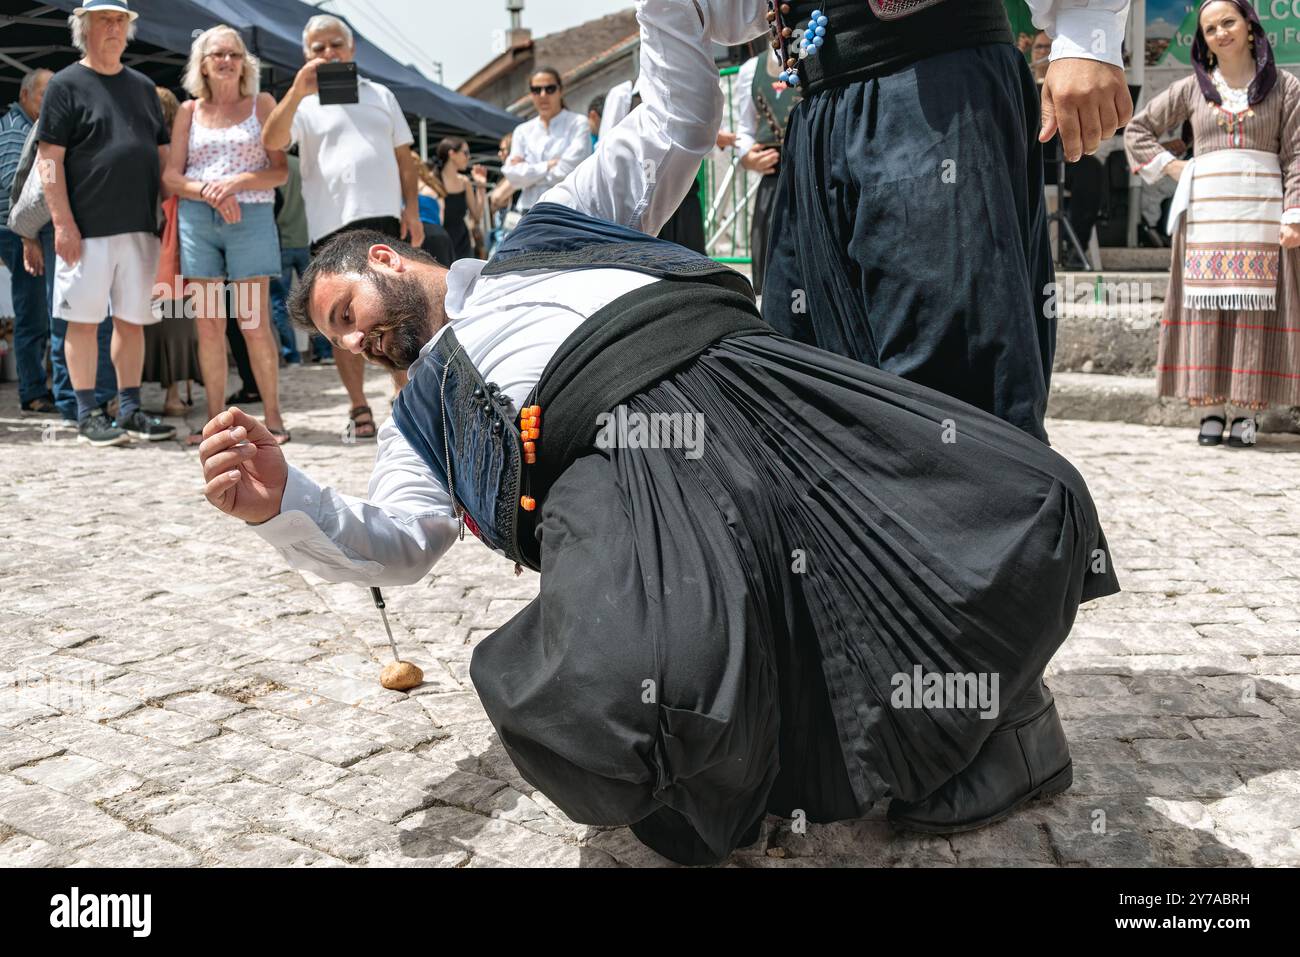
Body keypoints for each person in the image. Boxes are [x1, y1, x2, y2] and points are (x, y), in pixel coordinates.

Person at [200, 0, 1117, 866]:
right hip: (623, 486)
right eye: (341, 342)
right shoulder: (420, 415)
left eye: (348, 311)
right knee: (613, 696)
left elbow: (676, 116)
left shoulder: (545, 225)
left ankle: (1006, 723)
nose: (359, 341)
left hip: (746, 387)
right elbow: (395, 545)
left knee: (983, 478)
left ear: (390, 258)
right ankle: (762, 756)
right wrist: (285, 504)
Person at [760, 1, 1134, 444]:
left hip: (937, 83)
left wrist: (1085, 25)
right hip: (814, 114)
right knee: (808, 395)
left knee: (952, 396)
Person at [1125, 0, 1300, 448]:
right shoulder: (1190, 90)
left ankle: (1247, 411)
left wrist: (1294, 213)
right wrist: (1173, 166)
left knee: (1256, 314)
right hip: (1206, 219)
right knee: (1205, 311)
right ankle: (1210, 409)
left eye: (1228, 22)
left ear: (1248, 26)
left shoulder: (1286, 89)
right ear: (1202, 40)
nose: (1220, 32)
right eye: (1209, 28)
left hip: (1263, 218)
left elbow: (1297, 157)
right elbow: (1137, 130)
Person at [262, 12, 423, 442]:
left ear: (351, 49)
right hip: (330, 227)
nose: (328, 53)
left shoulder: (380, 94)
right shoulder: (303, 104)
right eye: (318, 48)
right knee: (342, 322)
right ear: (306, 55)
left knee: (398, 312)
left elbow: (405, 158)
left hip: (383, 219)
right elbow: (272, 140)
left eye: (335, 45)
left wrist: (412, 209)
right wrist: (297, 90)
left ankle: (403, 399)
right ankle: (357, 406)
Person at [37, 0, 175, 447]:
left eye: (121, 20)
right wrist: (62, 223)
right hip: (86, 229)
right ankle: (86, 412)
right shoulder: (64, 84)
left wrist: (170, 217)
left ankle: (130, 408)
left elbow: (162, 156)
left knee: (132, 322)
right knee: (81, 323)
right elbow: (49, 160)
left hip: (140, 228)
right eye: (104, 20)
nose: (114, 27)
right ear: (84, 28)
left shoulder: (142, 87)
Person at [164, 25, 289, 446]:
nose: (226, 60)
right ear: (202, 63)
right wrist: (208, 192)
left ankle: (273, 419)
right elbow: (171, 176)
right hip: (198, 219)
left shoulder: (262, 104)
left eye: (234, 54)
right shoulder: (188, 111)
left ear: (244, 63)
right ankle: (214, 421)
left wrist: (232, 185)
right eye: (217, 54)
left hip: (250, 216)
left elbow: (280, 170)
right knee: (209, 326)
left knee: (253, 323)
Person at [143, 85, 199, 419]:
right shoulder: (182, 150)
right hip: (175, 241)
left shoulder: (143, 148)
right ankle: (173, 394)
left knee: (143, 322)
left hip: (152, 238)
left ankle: (129, 396)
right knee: (177, 323)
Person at [0, 68, 54, 415]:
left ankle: (37, 387)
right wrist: (28, 235)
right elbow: (11, 185)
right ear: (24, 96)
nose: (47, 101)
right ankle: (33, 391)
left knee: (36, 310)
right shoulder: (15, 130)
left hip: (23, 230)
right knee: (32, 312)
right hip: (17, 232)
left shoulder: (25, 126)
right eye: (42, 95)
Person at [1032, 30, 1105, 269]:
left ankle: (1074, 247)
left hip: (1065, 158)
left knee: (1092, 170)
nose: (1043, 53)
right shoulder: (1021, 83)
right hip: (1031, 159)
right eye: (1039, 48)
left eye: (1047, 48)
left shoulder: (1070, 85)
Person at [733, 41, 799, 293]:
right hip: (772, 178)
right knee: (771, 263)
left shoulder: (811, 51)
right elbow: (745, 129)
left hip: (809, 171)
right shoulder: (751, 69)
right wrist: (747, 156)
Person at [502, 67, 591, 215]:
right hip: (528, 211)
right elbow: (513, 177)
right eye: (536, 90)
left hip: (567, 209)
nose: (543, 95)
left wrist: (529, 173)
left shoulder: (578, 123)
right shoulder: (522, 131)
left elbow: (569, 170)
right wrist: (548, 165)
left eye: (550, 89)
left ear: (560, 91)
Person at [432, 138, 487, 263]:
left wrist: (481, 186)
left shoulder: (464, 182)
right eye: (465, 153)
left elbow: (477, 216)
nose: (468, 157)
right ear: (452, 154)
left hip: (462, 242)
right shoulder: (434, 180)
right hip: (440, 241)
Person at [410, 150, 455, 267]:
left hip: (416, 233)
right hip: (439, 234)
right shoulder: (434, 187)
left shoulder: (405, 189)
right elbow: (441, 218)